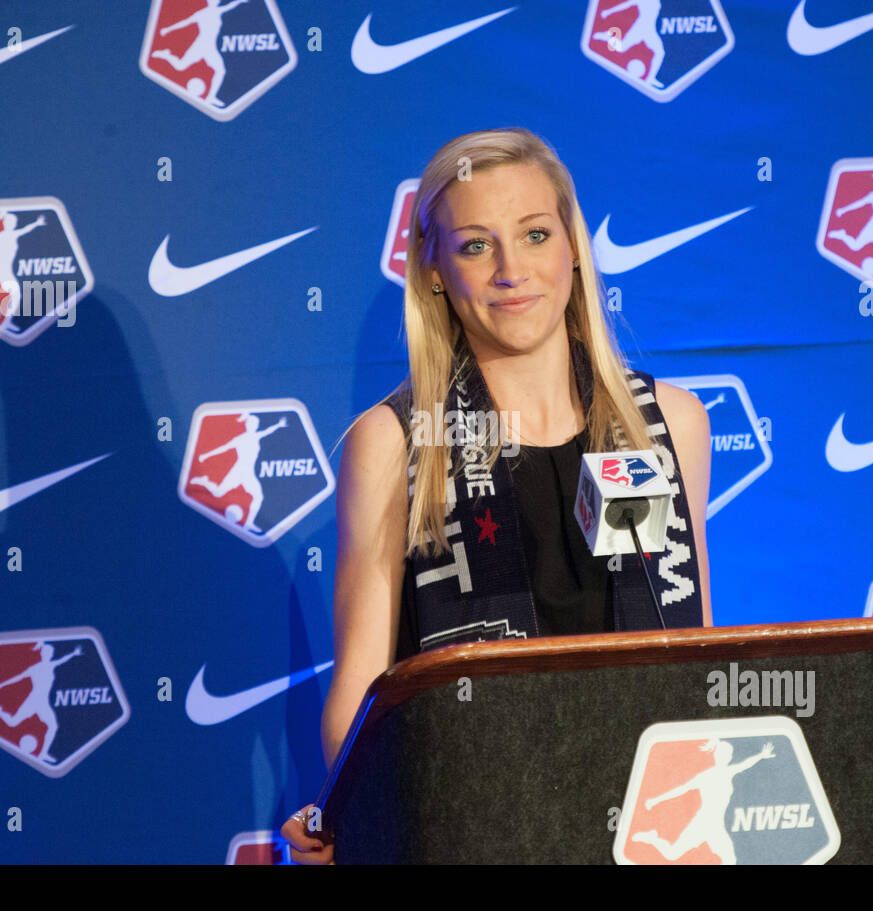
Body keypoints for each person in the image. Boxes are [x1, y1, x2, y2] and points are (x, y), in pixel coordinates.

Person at [282, 127, 713, 863]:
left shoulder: (670, 422)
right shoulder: (392, 443)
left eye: (536, 234)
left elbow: (696, 652)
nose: (513, 270)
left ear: (573, 247)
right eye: (477, 245)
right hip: (473, 828)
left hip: (654, 827)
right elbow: (360, 691)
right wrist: (349, 810)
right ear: (438, 270)